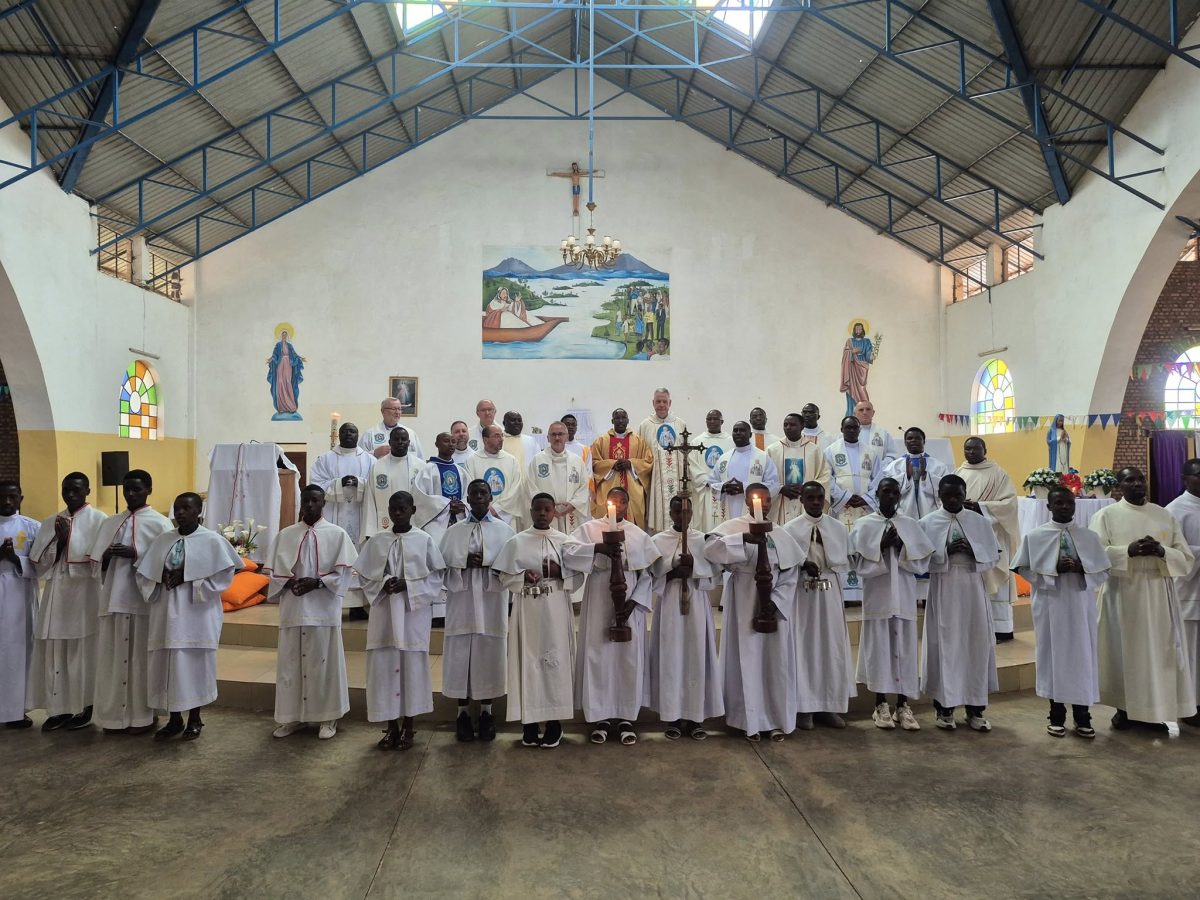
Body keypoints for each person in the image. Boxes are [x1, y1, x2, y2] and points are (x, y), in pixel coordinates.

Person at [1090, 467, 1195, 731]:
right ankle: (1124, 709)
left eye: (1141, 479)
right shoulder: (1106, 515)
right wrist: (1128, 550)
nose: (1137, 484)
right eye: (1130, 480)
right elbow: (1094, 554)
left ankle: (1154, 712)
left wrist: (1161, 551)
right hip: (1123, 592)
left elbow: (1185, 558)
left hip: (1159, 592)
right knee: (1124, 652)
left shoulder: (1163, 515)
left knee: (1157, 654)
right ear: (1119, 486)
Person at [136, 493, 242, 742]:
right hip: (166, 612)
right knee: (168, 666)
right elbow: (143, 575)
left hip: (196, 613)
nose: (180, 512)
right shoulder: (163, 540)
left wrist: (189, 577)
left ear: (198, 511)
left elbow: (225, 574)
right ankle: (174, 719)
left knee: (194, 665)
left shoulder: (212, 541)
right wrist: (158, 577)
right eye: (177, 508)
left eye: (187, 508)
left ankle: (195, 718)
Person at [563, 487, 661, 745]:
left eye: (622, 501)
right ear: (604, 504)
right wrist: (597, 548)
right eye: (613, 501)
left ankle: (627, 717)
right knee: (599, 656)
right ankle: (600, 716)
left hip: (628, 605)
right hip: (598, 602)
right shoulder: (590, 529)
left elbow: (647, 575)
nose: (617, 505)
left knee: (628, 659)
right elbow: (568, 553)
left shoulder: (638, 535)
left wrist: (633, 605)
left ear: (628, 505)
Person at [705, 483, 802, 741]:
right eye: (758, 499)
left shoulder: (780, 533)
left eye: (767, 499)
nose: (764, 503)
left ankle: (776, 719)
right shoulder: (734, 527)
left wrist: (777, 601)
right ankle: (746, 720)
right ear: (748, 502)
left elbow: (791, 571)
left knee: (775, 661)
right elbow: (710, 549)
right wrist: (743, 539)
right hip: (744, 599)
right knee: (745, 657)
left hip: (775, 604)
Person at [1013, 486, 1110, 738]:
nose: (1065, 507)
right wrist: (1051, 569)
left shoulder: (1088, 537)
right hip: (1050, 604)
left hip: (1080, 604)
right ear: (1049, 506)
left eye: (1069, 503)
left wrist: (1082, 568)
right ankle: (1056, 715)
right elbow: (1022, 568)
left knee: (1081, 657)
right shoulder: (1035, 537)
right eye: (1059, 503)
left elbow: (1103, 571)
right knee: (1053, 656)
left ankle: (1082, 715)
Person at [355, 491, 446, 751]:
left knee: (412, 668)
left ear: (412, 510)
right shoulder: (377, 541)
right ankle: (391, 726)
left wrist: (410, 584)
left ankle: (409, 725)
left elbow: (437, 577)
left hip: (412, 614)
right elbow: (364, 575)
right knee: (384, 669)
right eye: (393, 509)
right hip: (384, 613)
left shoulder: (424, 539)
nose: (397, 513)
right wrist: (383, 583)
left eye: (402, 508)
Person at [493, 493, 586, 748]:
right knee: (528, 660)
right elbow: (503, 577)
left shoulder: (566, 542)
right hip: (528, 609)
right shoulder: (517, 542)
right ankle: (530, 724)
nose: (543, 514)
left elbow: (578, 579)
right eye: (538, 510)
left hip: (556, 607)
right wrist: (522, 576)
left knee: (556, 660)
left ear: (555, 512)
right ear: (531, 511)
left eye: (547, 509)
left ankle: (554, 722)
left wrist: (561, 572)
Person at [264, 486, 356, 741]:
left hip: (323, 610)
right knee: (290, 665)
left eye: (315, 500)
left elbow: (345, 573)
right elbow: (273, 573)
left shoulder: (337, 535)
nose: (310, 505)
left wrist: (316, 583)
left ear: (323, 503)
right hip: (293, 609)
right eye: (306, 501)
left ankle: (328, 716)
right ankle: (291, 717)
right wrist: (287, 582)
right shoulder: (286, 535)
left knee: (323, 665)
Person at [88, 470, 172, 734]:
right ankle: (114, 717)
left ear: (149, 489)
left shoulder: (160, 524)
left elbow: (167, 563)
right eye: (127, 489)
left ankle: (142, 717)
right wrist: (107, 558)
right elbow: (95, 565)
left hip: (142, 602)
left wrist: (135, 553)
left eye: (136, 489)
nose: (130, 494)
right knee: (113, 660)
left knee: (139, 662)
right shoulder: (110, 522)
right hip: (113, 599)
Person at [850, 477, 934, 731]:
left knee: (905, 652)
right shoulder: (864, 524)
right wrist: (880, 545)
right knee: (880, 652)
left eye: (895, 493)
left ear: (899, 496)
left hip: (904, 598)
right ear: (877, 494)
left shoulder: (909, 524)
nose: (891, 496)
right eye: (886, 492)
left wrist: (903, 547)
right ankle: (880, 705)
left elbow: (922, 563)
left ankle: (903, 705)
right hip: (878, 598)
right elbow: (858, 565)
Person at [918, 475, 1001, 732]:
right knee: (946, 646)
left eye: (958, 495)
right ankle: (945, 708)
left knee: (976, 643)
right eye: (948, 495)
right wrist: (946, 551)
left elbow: (993, 557)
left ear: (965, 494)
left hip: (973, 587)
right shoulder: (927, 523)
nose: (953, 500)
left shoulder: (979, 521)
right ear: (939, 495)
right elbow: (919, 563)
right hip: (944, 588)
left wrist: (973, 552)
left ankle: (975, 709)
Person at [27, 473, 108, 732]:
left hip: (84, 594)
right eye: (66, 490)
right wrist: (60, 543)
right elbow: (38, 564)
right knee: (56, 652)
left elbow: (100, 562)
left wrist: (71, 545)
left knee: (82, 652)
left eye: (76, 489)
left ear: (87, 490)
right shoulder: (51, 521)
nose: (70, 494)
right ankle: (58, 708)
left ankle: (86, 706)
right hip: (56, 593)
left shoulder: (99, 521)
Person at [438, 480, 515, 742]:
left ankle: (486, 712)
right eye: (475, 493)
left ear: (491, 497)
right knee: (461, 656)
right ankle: (461, 714)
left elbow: (511, 570)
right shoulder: (454, 532)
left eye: (484, 492)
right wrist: (462, 563)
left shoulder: (505, 532)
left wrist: (490, 564)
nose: (479, 497)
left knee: (489, 654)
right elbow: (441, 570)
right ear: (468, 498)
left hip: (491, 602)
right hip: (462, 603)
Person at [780, 482, 856, 730]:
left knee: (830, 647)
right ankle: (805, 708)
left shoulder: (836, 527)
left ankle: (829, 705)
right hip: (802, 595)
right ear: (801, 499)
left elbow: (847, 559)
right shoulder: (790, 529)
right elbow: (782, 561)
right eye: (810, 498)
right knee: (805, 647)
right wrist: (801, 565)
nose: (815, 502)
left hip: (830, 593)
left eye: (819, 498)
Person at [648, 495, 723, 740]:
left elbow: (715, 575)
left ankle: (695, 717)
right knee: (671, 656)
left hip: (697, 603)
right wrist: (671, 568)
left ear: (692, 514)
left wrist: (695, 567)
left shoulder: (703, 540)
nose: (683, 516)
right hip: (670, 602)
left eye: (687, 512)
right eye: (678, 511)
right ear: (670, 513)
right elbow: (650, 574)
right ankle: (672, 716)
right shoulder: (658, 540)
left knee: (696, 656)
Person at [957, 437, 1020, 642]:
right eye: (967, 448)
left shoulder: (998, 473)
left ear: (985, 449)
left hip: (993, 535)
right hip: (967, 534)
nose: (971, 452)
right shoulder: (958, 473)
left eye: (976, 448)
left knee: (996, 582)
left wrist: (980, 507)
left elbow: (1010, 504)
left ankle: (1001, 629)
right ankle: (976, 628)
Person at [0, 480, 39, 729]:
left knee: (18, 652)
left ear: (20, 498)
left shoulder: (32, 527)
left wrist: (15, 558)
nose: (7, 502)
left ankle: (16, 712)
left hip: (20, 597)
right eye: (3, 497)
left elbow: (41, 565)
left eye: (12, 497)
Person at [1166, 459, 1200, 728]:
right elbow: (1173, 554)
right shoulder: (1174, 511)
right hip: (1189, 591)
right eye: (1198, 475)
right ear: (1185, 478)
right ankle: (1191, 706)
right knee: (1190, 652)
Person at [311, 421, 373, 544]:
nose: (348, 434)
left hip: (360, 511)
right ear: (339, 435)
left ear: (358, 435)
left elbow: (376, 488)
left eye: (352, 431)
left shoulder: (370, 460)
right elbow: (316, 485)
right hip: (332, 510)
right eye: (344, 431)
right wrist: (339, 483)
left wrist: (360, 483)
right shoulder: (325, 459)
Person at [591, 408, 653, 529]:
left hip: (633, 489)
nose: (620, 421)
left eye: (623, 418)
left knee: (633, 526)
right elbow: (593, 463)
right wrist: (611, 465)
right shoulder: (601, 441)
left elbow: (648, 462)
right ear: (612, 420)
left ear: (628, 420)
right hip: (608, 486)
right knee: (605, 525)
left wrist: (631, 464)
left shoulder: (638, 441)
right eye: (617, 418)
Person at [637, 388, 689, 533]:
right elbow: (642, 456)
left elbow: (687, 453)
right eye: (658, 401)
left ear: (670, 403)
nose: (661, 405)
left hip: (678, 477)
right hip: (655, 481)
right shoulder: (645, 425)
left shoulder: (680, 424)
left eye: (664, 401)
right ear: (653, 403)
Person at [708, 420, 780, 524]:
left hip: (752, 510)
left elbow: (773, 484)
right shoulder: (724, 458)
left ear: (750, 434)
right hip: (728, 508)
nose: (738, 433)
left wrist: (745, 488)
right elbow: (712, 481)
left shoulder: (762, 457)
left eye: (742, 430)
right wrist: (723, 487)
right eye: (735, 430)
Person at [525, 421, 590, 533]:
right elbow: (531, 486)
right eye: (553, 434)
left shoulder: (576, 461)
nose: (557, 437)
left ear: (567, 436)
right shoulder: (538, 460)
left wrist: (573, 505)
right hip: (547, 514)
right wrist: (547, 507)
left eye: (560, 434)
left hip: (570, 513)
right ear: (548, 438)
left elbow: (584, 487)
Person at [766, 412, 830, 525]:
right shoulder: (772, 450)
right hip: (780, 502)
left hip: (806, 502)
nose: (788, 427)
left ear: (802, 426)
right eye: (785, 425)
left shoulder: (814, 450)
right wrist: (780, 488)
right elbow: (765, 478)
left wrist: (807, 488)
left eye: (792, 425)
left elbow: (824, 476)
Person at [361, 426, 425, 540]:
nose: (400, 442)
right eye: (396, 439)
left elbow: (425, 500)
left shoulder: (421, 467)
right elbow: (369, 500)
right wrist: (369, 530)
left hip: (415, 526)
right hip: (384, 527)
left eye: (403, 439)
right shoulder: (377, 467)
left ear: (409, 442)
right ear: (390, 442)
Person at [882, 427, 950, 520]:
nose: (913, 441)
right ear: (905, 442)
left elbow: (946, 488)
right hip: (903, 513)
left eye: (917, 438)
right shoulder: (894, 466)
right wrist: (906, 477)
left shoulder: (938, 465)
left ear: (924, 441)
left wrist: (926, 476)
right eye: (909, 438)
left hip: (931, 512)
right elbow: (886, 489)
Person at [825, 415, 880, 529]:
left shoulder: (871, 452)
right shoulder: (831, 451)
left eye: (855, 427)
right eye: (848, 427)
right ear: (842, 429)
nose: (852, 430)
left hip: (865, 504)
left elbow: (879, 478)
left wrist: (866, 498)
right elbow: (827, 477)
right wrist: (844, 497)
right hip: (841, 504)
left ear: (859, 429)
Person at [463, 424, 524, 526]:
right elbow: (469, 488)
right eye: (496, 436)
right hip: (480, 515)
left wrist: (497, 509)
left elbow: (516, 489)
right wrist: (485, 508)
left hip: (506, 516)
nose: (501, 439)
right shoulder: (472, 461)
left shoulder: (511, 461)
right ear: (485, 439)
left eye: (501, 435)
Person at [414, 432, 468, 527]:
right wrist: (446, 505)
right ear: (437, 444)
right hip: (435, 523)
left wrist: (463, 505)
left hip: (459, 521)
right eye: (446, 441)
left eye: (453, 441)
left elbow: (468, 495)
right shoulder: (427, 470)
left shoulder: (461, 471)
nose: (451, 444)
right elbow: (420, 497)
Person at [696, 409, 734, 531]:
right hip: (705, 489)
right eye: (709, 419)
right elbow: (691, 464)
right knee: (706, 524)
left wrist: (723, 483)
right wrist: (706, 480)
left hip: (725, 490)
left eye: (715, 419)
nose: (712, 421)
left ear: (722, 421)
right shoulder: (697, 442)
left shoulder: (731, 441)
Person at [360, 398, 424, 460]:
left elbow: (420, 459)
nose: (397, 412)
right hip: (381, 470)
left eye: (399, 409)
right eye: (394, 409)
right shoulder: (370, 434)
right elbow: (360, 459)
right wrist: (374, 453)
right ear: (383, 411)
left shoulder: (410, 433)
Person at [840, 321, 874, 417]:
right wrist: (852, 351)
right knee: (851, 390)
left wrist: (871, 355)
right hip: (851, 368)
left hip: (862, 367)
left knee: (862, 389)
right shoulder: (849, 341)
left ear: (863, 330)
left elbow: (869, 355)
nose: (858, 330)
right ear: (854, 330)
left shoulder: (866, 341)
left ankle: (864, 411)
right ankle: (851, 414)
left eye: (860, 329)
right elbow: (845, 355)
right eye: (856, 329)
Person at [267, 329, 303, 419]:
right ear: (280, 336)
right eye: (282, 335)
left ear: (287, 336)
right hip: (280, 365)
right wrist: (270, 359)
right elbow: (275, 355)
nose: (284, 336)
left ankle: (291, 406)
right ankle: (281, 407)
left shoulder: (289, 345)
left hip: (288, 365)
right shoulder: (278, 345)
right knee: (279, 382)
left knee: (287, 382)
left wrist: (300, 358)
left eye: (285, 335)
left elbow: (294, 354)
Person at [853, 401, 900, 468]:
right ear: (855, 414)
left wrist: (879, 466)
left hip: (878, 473)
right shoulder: (846, 433)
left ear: (873, 413)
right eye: (861, 410)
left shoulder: (883, 434)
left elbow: (892, 455)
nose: (865, 412)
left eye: (868, 409)